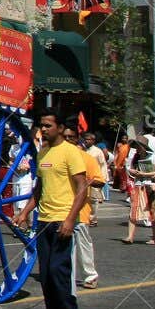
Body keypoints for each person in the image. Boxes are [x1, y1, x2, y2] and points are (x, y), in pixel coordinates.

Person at [17, 113, 91, 309]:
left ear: (60, 127)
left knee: (59, 273)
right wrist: (25, 212)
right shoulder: (43, 152)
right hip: (44, 221)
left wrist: (70, 219)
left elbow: (82, 188)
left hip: (62, 220)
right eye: (42, 125)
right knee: (47, 276)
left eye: (48, 125)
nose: (44, 129)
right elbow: (39, 188)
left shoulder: (71, 152)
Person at [68, 123, 105, 289]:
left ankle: (90, 275)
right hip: (58, 210)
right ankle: (65, 276)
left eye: (71, 137)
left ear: (77, 139)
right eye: (65, 137)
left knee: (82, 243)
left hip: (80, 210)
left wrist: (86, 180)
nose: (68, 140)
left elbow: (100, 181)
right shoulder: (54, 155)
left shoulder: (86, 158)